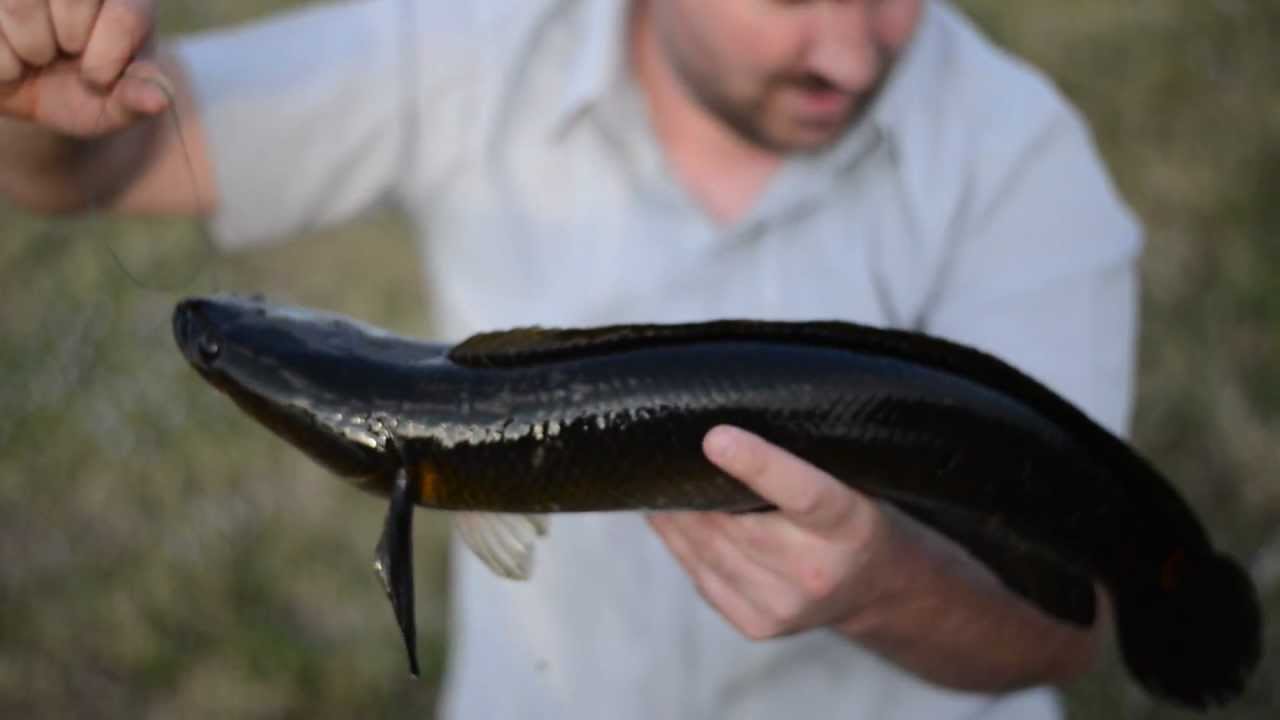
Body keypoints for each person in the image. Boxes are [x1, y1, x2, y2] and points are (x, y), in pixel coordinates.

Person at [0, 0, 1142, 718]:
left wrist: (888, 588)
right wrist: (37, 103)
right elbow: (105, 161)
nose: (847, 49)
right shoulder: (474, 37)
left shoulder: (1018, 159)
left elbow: (1072, 622)